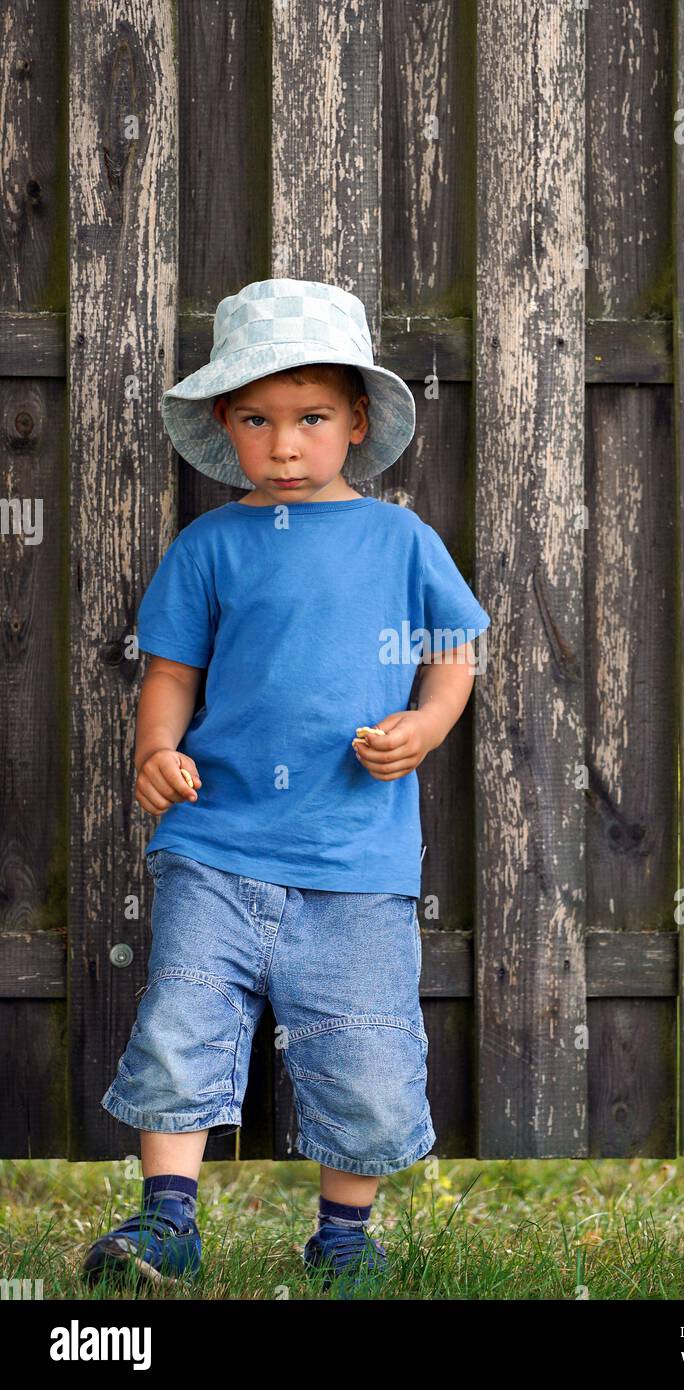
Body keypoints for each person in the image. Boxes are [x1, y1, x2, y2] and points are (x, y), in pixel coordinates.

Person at [82, 278, 491, 1293]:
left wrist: (426, 725)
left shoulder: (400, 542)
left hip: (353, 855)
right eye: (257, 421)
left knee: (361, 1041)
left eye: (310, 418)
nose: (285, 445)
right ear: (227, 427)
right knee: (182, 1019)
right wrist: (154, 751)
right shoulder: (208, 547)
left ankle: (343, 1234)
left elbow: (456, 650)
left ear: (355, 420)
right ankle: (163, 1222)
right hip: (213, 841)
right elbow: (171, 671)